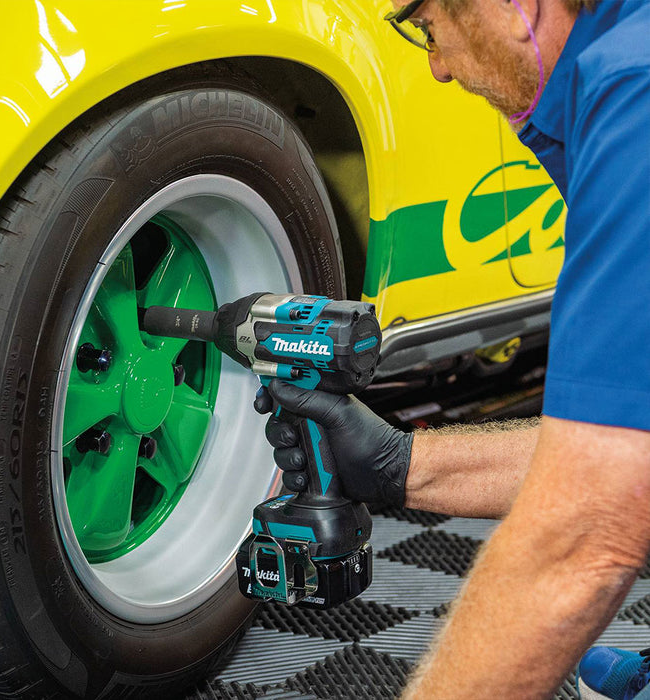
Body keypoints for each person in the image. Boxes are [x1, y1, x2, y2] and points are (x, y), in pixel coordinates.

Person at [255, 0, 650, 698]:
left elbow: (585, 533)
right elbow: (624, 448)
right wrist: (399, 465)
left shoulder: (636, 91)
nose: (436, 67)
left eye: (428, 26)